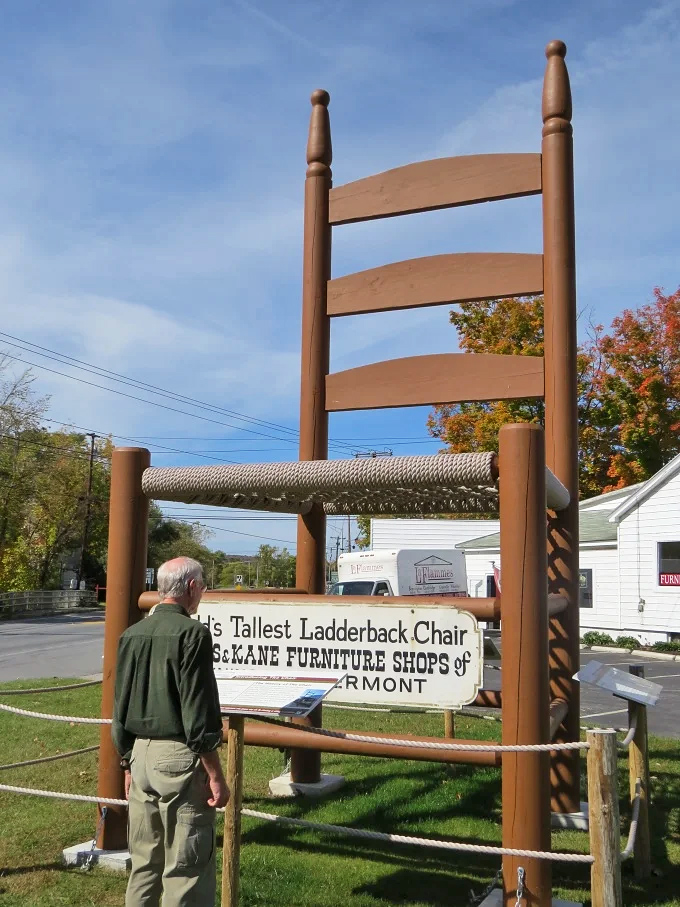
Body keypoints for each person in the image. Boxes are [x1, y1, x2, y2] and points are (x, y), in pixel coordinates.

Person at [112, 556, 229, 907]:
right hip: (179, 757)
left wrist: (128, 763)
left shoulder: (131, 634)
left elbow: (120, 705)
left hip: (140, 755)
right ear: (192, 588)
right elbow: (199, 710)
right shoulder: (193, 634)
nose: (203, 592)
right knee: (186, 867)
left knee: (144, 865)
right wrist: (215, 774)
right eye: (203, 585)